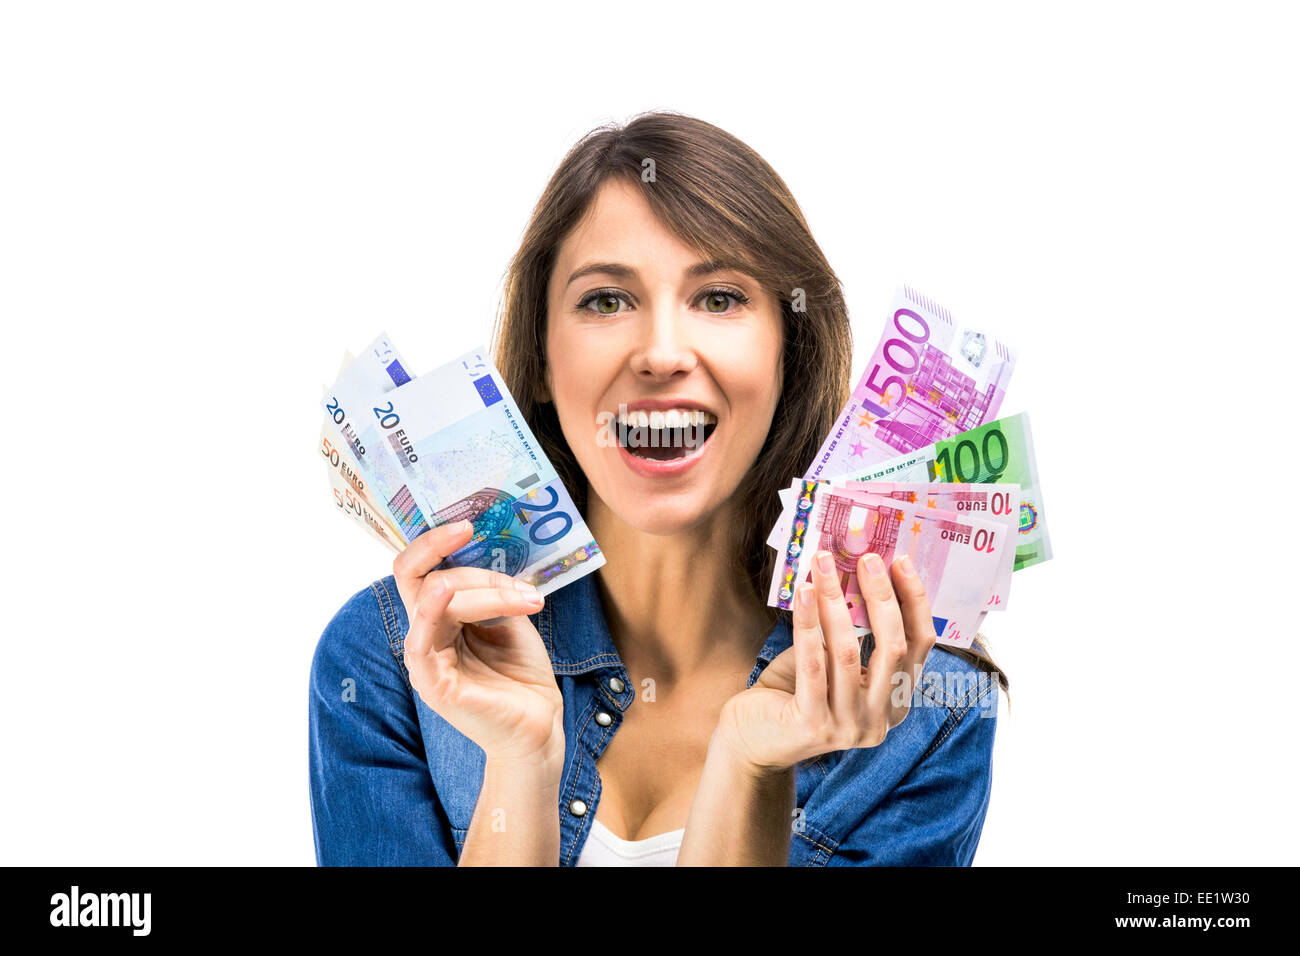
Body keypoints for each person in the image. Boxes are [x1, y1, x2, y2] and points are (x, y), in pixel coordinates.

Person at [309, 111, 1009, 866]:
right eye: (606, 300)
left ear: (787, 352)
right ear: (542, 359)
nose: (663, 353)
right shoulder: (394, 658)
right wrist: (518, 764)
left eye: (719, 298)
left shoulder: (922, 707)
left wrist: (748, 768)